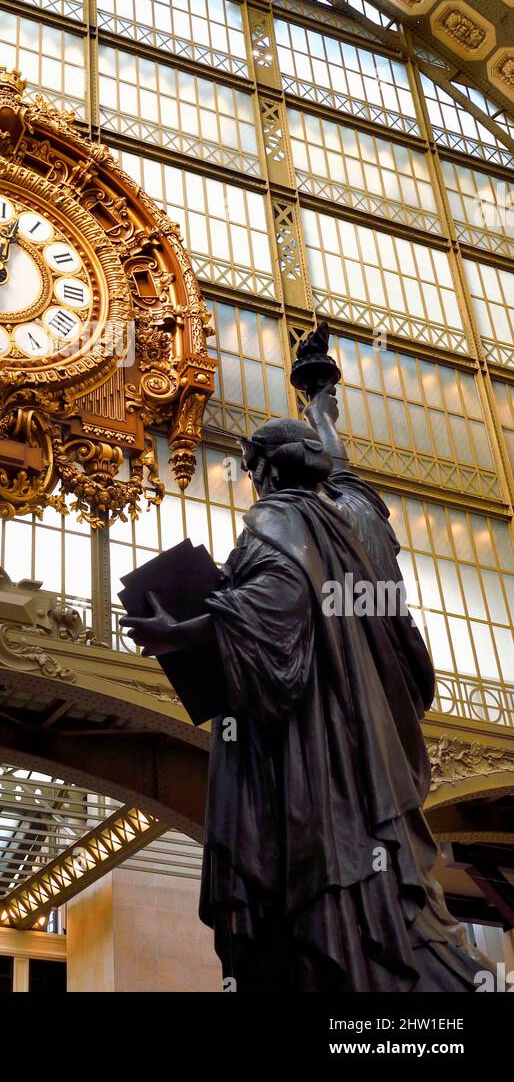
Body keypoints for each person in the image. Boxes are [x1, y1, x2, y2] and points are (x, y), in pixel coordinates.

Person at [120, 373, 488, 992]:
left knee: (316, 893)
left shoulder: (280, 518)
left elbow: (278, 608)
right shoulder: (352, 520)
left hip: (309, 752)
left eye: (249, 467)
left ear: (264, 469)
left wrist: (187, 630)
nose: (250, 482)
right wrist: (320, 410)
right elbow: (346, 479)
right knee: (377, 879)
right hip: (361, 743)